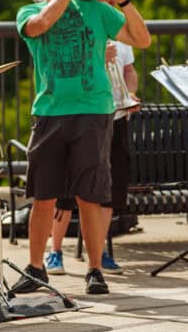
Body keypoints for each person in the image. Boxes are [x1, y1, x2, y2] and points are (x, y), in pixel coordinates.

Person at [10, 0, 150, 297]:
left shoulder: (97, 9)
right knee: (43, 196)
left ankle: (94, 270)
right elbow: (41, 25)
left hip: (93, 110)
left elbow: (142, 39)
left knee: (90, 196)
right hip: (50, 111)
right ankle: (36, 267)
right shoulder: (30, 10)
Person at [43, 40, 139, 276]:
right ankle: (55, 251)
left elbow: (129, 71)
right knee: (66, 190)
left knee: (107, 191)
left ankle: (99, 250)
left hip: (116, 117)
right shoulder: (82, 33)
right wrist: (97, 57)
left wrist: (131, 93)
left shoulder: (121, 36)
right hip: (82, 116)